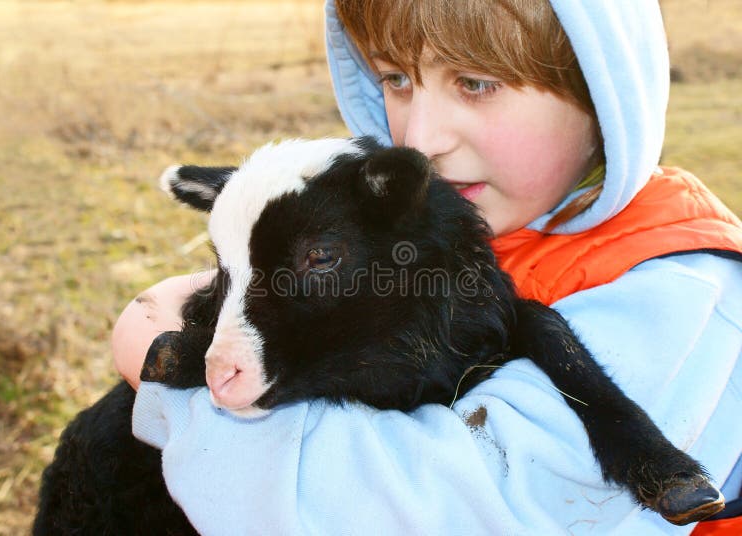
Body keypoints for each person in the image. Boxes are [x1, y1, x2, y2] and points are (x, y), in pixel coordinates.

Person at [114, 0, 742, 533]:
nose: (420, 137)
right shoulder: (422, 239)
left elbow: (406, 510)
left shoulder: (678, 296)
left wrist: (165, 371)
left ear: (604, 87)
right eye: (395, 79)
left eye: (476, 83)